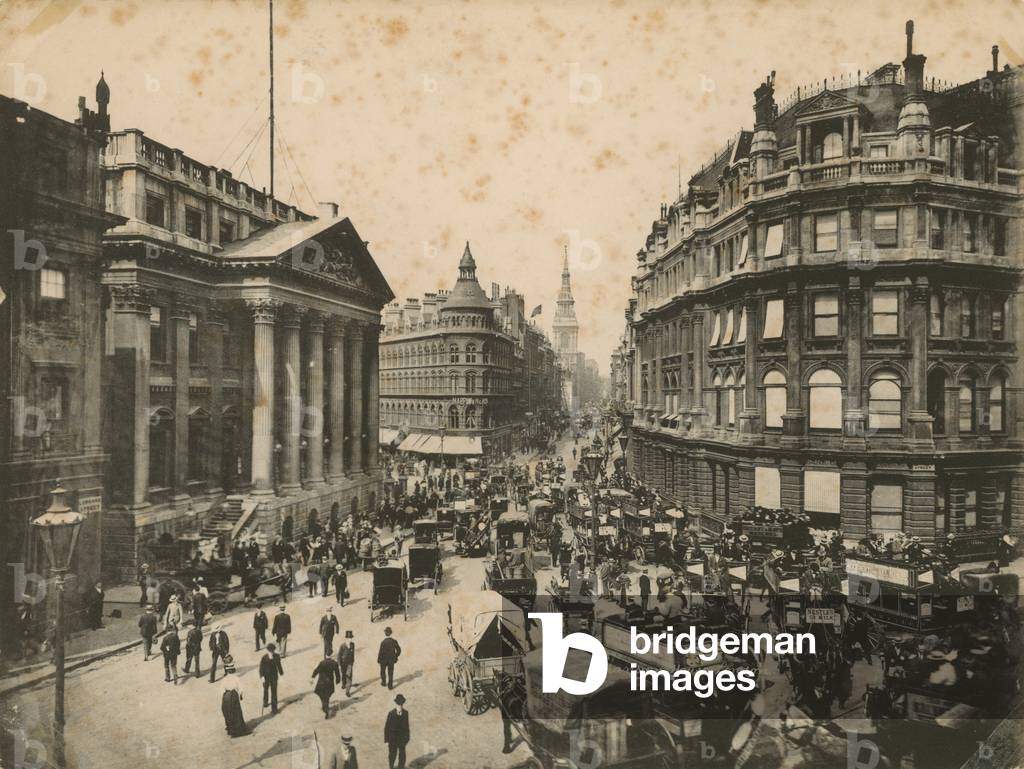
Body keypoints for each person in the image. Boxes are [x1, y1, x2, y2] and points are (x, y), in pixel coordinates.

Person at [311, 652, 343, 719]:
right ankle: (325, 707)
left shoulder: (322, 663)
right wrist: (338, 680)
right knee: (327, 696)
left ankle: (326, 710)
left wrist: (312, 677)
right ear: (331, 655)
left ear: (326, 655)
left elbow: (316, 670)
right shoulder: (334, 663)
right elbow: (337, 673)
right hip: (329, 683)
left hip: (322, 683)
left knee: (322, 696)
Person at [384, 694, 410, 769]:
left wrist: (407, 738)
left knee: (402, 755)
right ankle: (391, 766)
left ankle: (401, 767)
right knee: (392, 755)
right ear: (396, 704)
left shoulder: (406, 713)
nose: (400, 706)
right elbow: (387, 727)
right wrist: (387, 740)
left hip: (402, 738)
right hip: (393, 739)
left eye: (401, 704)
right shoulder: (391, 714)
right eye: (399, 704)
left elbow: (407, 726)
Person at [259, 642, 285, 714]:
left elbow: (279, 666)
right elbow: (261, 668)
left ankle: (274, 709)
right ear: (267, 650)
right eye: (270, 651)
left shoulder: (277, 656)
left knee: (274, 692)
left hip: (274, 677)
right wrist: (262, 677)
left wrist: (281, 675)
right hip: (266, 677)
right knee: (266, 690)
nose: (271, 652)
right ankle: (265, 702)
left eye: (272, 651)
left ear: (274, 650)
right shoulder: (264, 658)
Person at [338, 630, 356, 696]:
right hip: (343, 664)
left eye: (351, 638)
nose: (350, 639)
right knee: (343, 675)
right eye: (349, 638)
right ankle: (343, 684)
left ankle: (347, 691)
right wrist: (339, 664)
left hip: (349, 664)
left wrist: (352, 662)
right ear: (346, 638)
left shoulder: (352, 645)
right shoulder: (342, 646)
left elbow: (353, 654)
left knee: (349, 677)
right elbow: (339, 655)